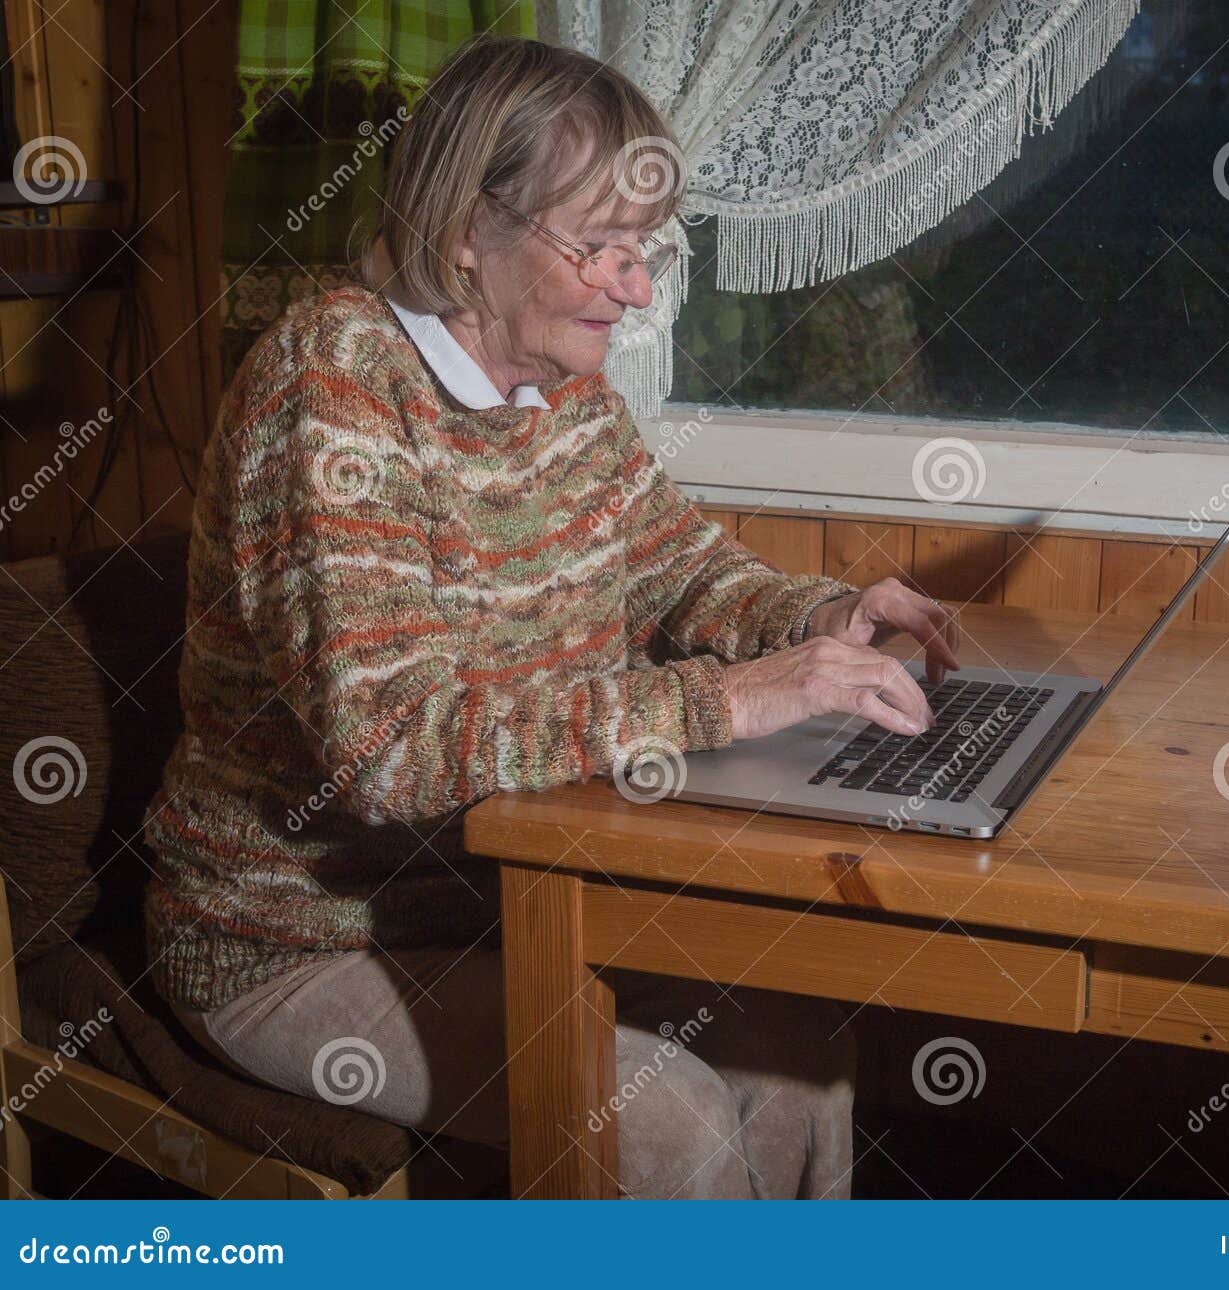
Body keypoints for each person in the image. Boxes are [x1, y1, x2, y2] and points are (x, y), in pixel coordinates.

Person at [142, 34, 961, 1199]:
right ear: (468, 233)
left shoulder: (562, 396)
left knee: (794, 1037)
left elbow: (678, 574)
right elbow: (390, 748)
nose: (635, 289)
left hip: (525, 898)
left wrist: (830, 614)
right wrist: (726, 700)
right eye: (601, 249)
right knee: (668, 1122)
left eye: (646, 250)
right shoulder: (330, 383)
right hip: (298, 936)